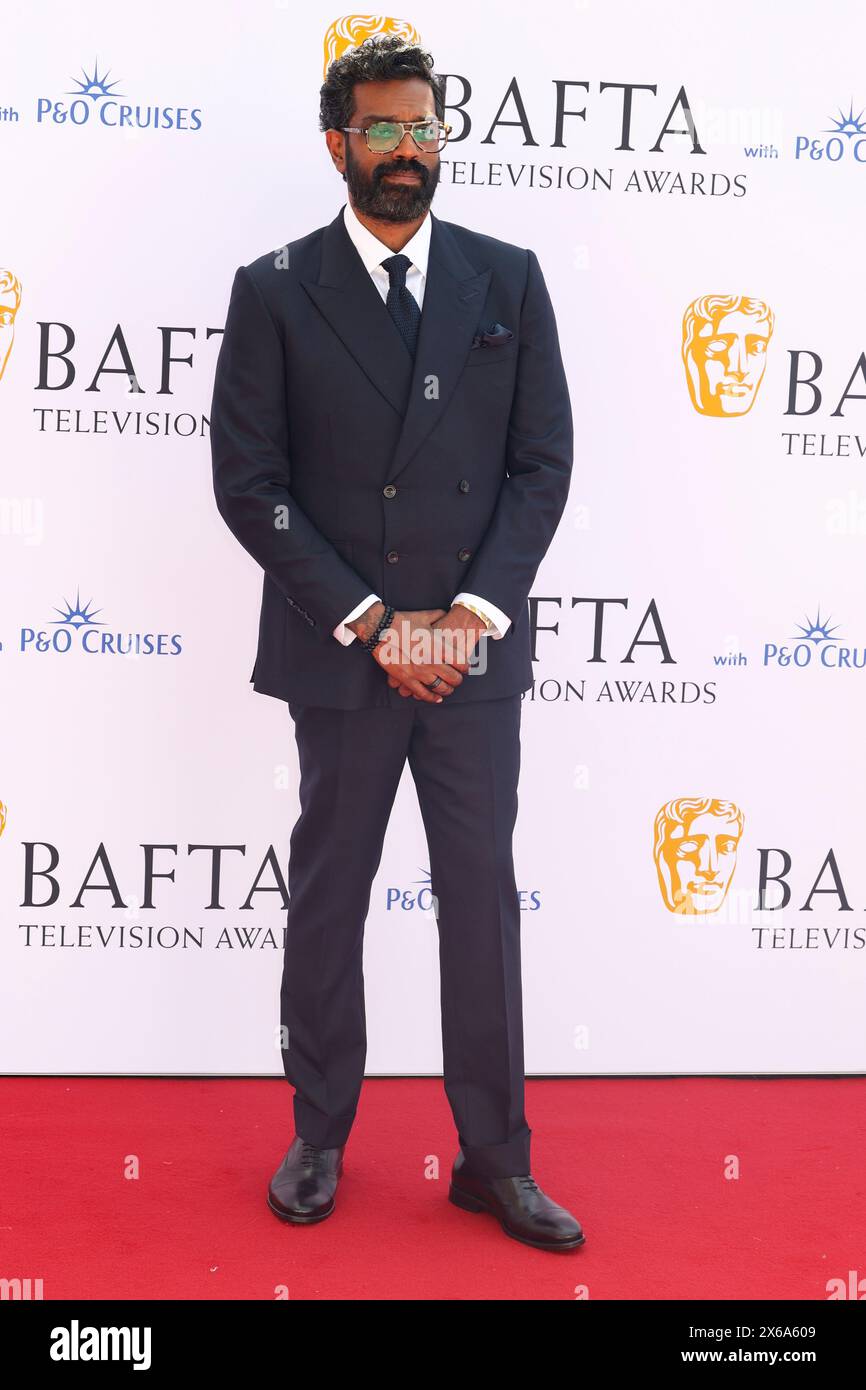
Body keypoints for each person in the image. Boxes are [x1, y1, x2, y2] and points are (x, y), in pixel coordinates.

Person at [210, 34, 583, 1252]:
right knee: (328, 893)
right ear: (339, 145)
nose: (409, 149)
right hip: (343, 654)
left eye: (423, 128)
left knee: (480, 903)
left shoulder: (506, 280)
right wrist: (374, 623)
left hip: (469, 660)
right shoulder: (272, 288)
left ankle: (493, 1159)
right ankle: (319, 1136)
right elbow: (250, 484)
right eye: (383, 129)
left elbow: (540, 465)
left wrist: (467, 620)